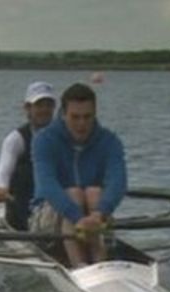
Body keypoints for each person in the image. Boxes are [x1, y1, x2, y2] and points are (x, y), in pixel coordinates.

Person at [30, 82, 127, 267]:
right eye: (75, 117)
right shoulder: (44, 140)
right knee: (73, 193)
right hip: (48, 218)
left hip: (94, 216)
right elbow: (47, 185)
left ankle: (100, 263)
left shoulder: (110, 141)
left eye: (87, 117)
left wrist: (100, 213)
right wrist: (77, 217)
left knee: (94, 193)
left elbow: (118, 182)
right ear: (63, 114)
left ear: (95, 114)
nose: (81, 124)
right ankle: (79, 265)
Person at [0, 81, 57, 230]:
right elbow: (3, 171)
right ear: (27, 108)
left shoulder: (64, 137)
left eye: (49, 105)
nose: (45, 110)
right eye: (39, 105)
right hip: (23, 215)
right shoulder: (15, 139)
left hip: (54, 209)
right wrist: (0, 188)